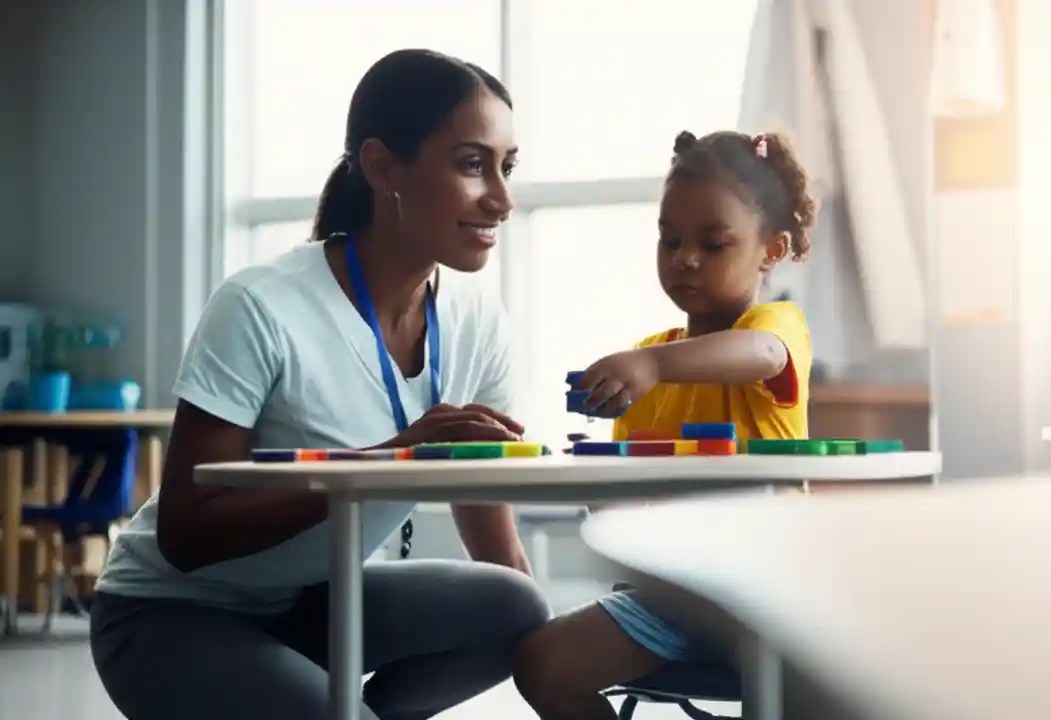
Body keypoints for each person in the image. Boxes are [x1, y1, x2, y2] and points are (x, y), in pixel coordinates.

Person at [89, 49, 550, 720]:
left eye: (507, 167)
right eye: (472, 164)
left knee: (519, 607)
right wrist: (388, 459)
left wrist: (562, 662)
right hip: (169, 612)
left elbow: (496, 542)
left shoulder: (476, 319)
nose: (503, 200)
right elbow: (185, 538)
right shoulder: (261, 304)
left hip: (308, 602)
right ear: (382, 166)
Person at [513, 129, 818, 719]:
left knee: (801, 681)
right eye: (670, 239)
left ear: (771, 251)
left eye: (714, 243)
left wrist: (653, 366)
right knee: (541, 663)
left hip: (771, 592)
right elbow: (625, 509)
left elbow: (761, 355)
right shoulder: (647, 363)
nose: (685, 259)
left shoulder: (778, 327)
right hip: (673, 596)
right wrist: (594, 484)